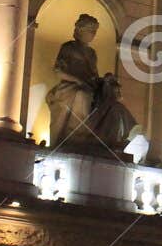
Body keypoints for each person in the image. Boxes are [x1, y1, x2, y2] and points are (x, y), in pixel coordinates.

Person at [46, 14, 140, 150]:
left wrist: (106, 81)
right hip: (70, 87)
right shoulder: (68, 47)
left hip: (89, 87)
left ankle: (119, 137)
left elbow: (93, 77)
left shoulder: (92, 53)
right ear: (80, 30)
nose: (93, 35)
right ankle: (81, 135)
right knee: (82, 95)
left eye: (95, 32)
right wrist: (78, 80)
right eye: (91, 31)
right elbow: (59, 71)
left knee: (113, 104)